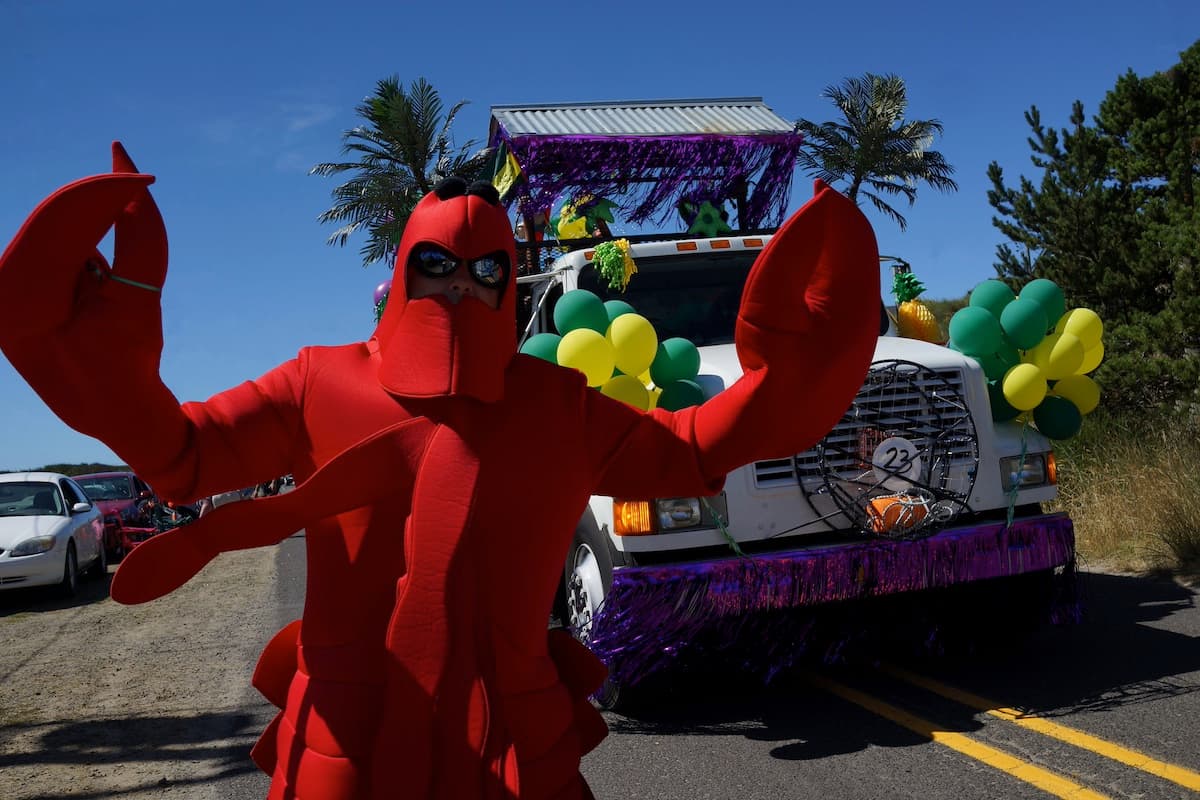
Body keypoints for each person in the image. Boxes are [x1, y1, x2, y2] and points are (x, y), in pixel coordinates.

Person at [0, 143, 880, 799]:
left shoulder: (557, 404)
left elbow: (691, 450)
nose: (462, 286)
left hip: (516, 732)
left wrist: (790, 380)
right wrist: (106, 371)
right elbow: (185, 458)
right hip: (343, 731)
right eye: (437, 266)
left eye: (487, 271)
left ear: (510, 280)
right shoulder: (319, 381)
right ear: (402, 268)